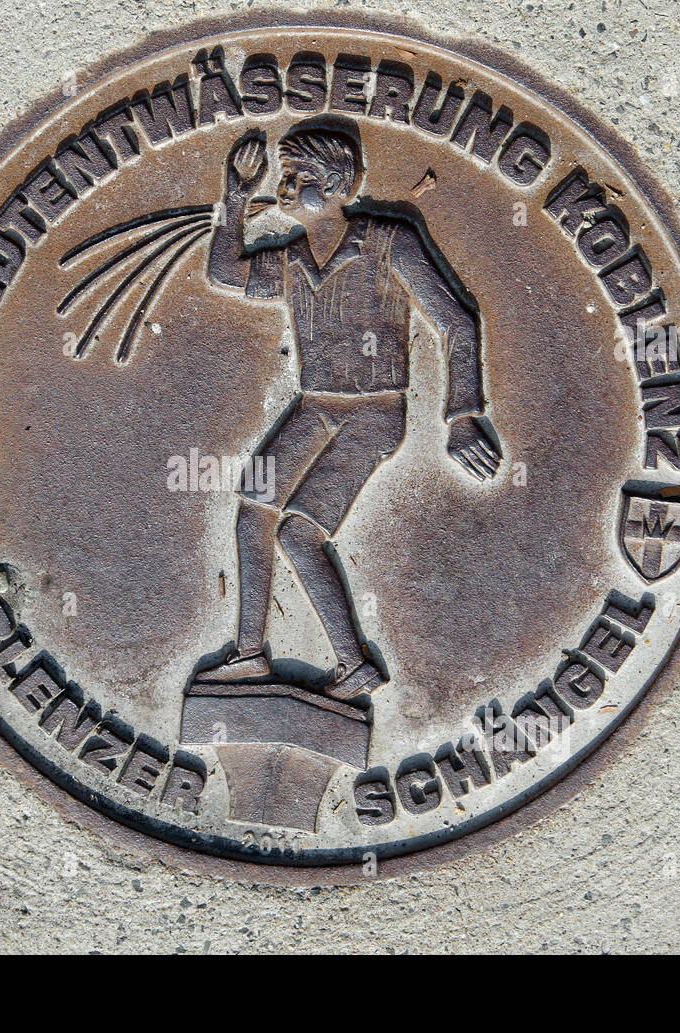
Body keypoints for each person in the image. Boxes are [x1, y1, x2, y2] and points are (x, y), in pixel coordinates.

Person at [197, 118, 502, 705]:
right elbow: (223, 274)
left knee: (300, 534)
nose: (285, 188)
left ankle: (353, 664)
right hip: (315, 406)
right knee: (253, 504)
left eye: (300, 177)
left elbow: (456, 321)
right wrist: (235, 198)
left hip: (372, 413)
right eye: (284, 176)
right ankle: (249, 654)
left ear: (339, 185)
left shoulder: (389, 243)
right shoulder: (291, 262)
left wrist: (461, 415)